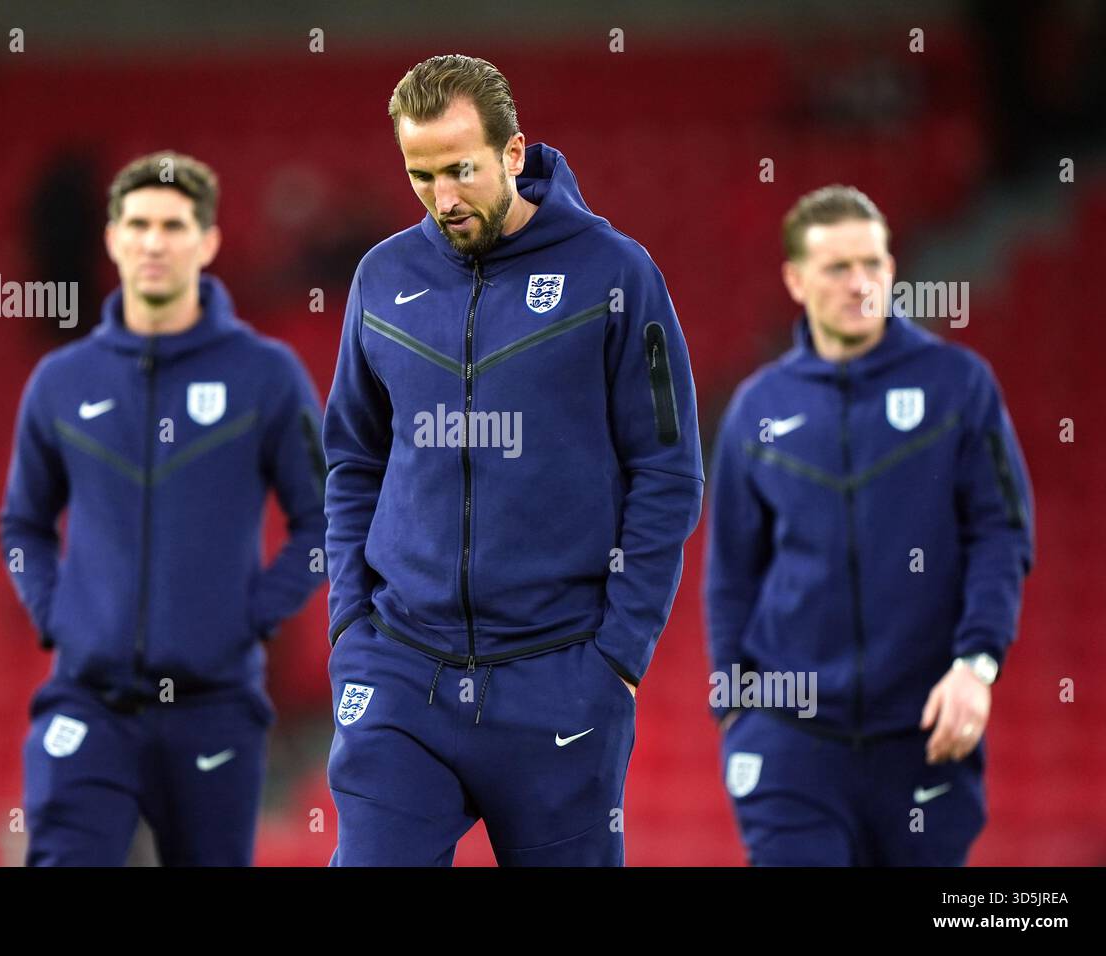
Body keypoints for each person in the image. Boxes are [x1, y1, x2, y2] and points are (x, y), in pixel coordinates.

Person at [322, 55, 703, 866]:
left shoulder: (617, 275)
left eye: (460, 169)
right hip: (398, 673)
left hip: (559, 684)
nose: (443, 199)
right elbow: (353, 460)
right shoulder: (381, 278)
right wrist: (352, 626)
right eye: (420, 175)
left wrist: (618, 662)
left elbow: (669, 473)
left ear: (514, 152)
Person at [0, 152, 327, 865]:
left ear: (207, 243)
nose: (154, 243)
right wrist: (55, 612)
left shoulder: (264, 377)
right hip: (89, 700)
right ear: (113, 239)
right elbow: (22, 523)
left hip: (214, 705)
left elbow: (324, 520)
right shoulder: (61, 381)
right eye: (138, 225)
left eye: (174, 225)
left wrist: (256, 611)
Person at [704, 185, 1034, 866]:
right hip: (790, 738)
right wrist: (734, 704)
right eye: (838, 268)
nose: (863, 284)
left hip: (921, 734)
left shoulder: (958, 386)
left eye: (875, 263)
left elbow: (1000, 534)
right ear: (795, 280)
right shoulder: (758, 406)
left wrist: (977, 664)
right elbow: (732, 569)